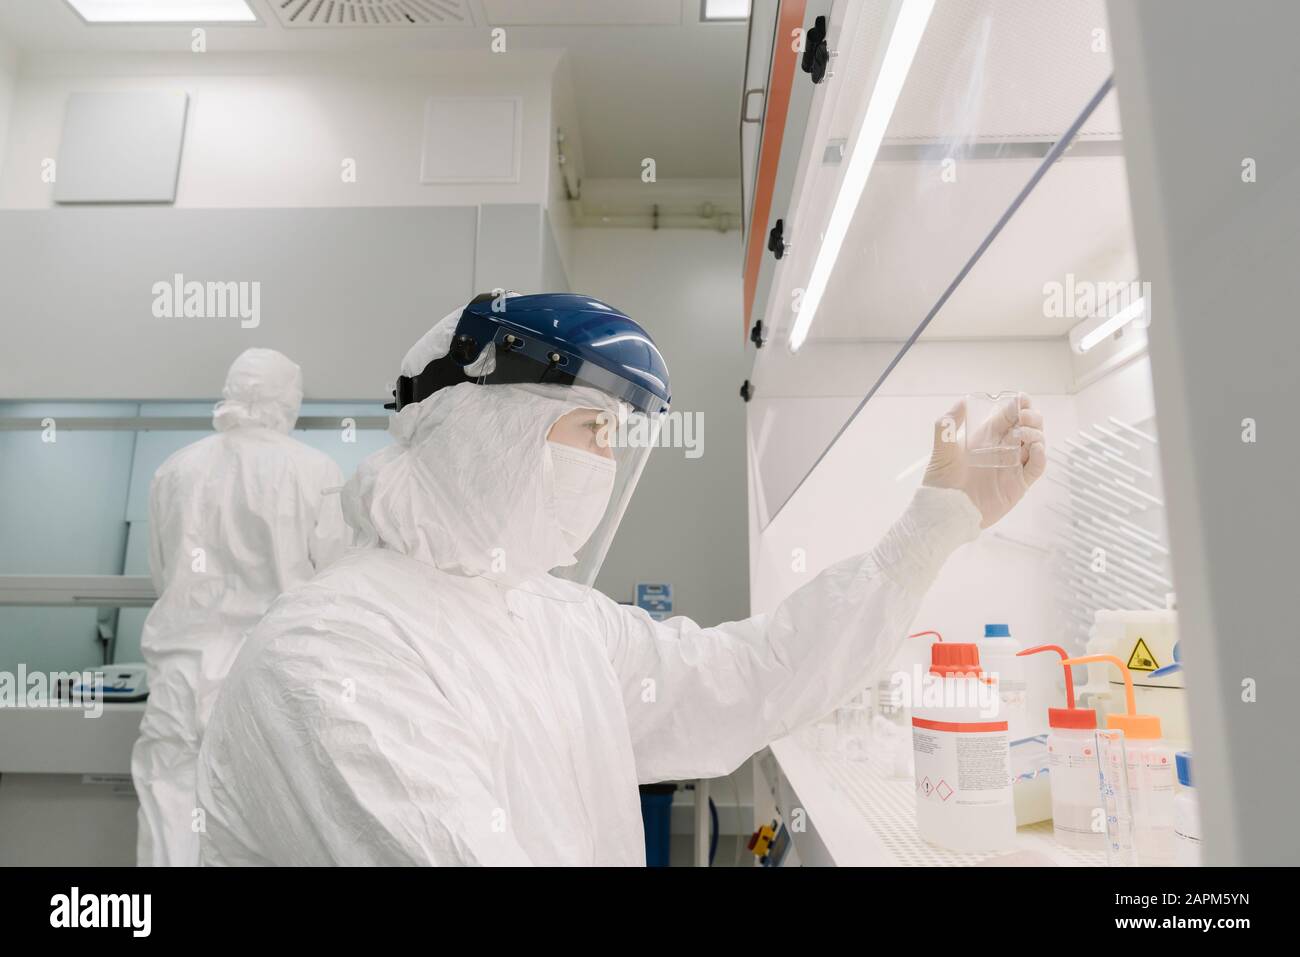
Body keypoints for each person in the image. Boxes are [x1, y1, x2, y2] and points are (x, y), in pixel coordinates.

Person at [196, 293, 1046, 866]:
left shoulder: (552, 621)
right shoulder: (327, 654)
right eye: (590, 430)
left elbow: (747, 676)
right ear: (482, 428)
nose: (604, 466)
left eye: (615, 440)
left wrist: (934, 526)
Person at [132, 348, 348, 866]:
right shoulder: (315, 470)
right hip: (273, 676)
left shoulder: (177, 469)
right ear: (287, 401)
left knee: (170, 811)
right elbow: (336, 581)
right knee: (265, 823)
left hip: (181, 671)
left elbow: (164, 575)